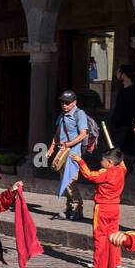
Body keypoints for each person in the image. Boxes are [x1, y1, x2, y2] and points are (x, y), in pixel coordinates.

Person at [49, 90, 90, 221]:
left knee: (70, 181)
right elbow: (57, 132)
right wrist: (51, 147)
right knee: (64, 181)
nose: (64, 105)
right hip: (62, 153)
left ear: (74, 102)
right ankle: (69, 208)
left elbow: (83, 133)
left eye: (67, 103)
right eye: (62, 102)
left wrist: (69, 144)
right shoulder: (62, 114)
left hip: (73, 154)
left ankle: (78, 208)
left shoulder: (79, 114)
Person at [109, 65, 135, 159]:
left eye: (118, 72)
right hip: (117, 124)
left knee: (117, 151)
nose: (116, 74)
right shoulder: (122, 89)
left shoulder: (134, 90)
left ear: (124, 74)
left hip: (126, 125)